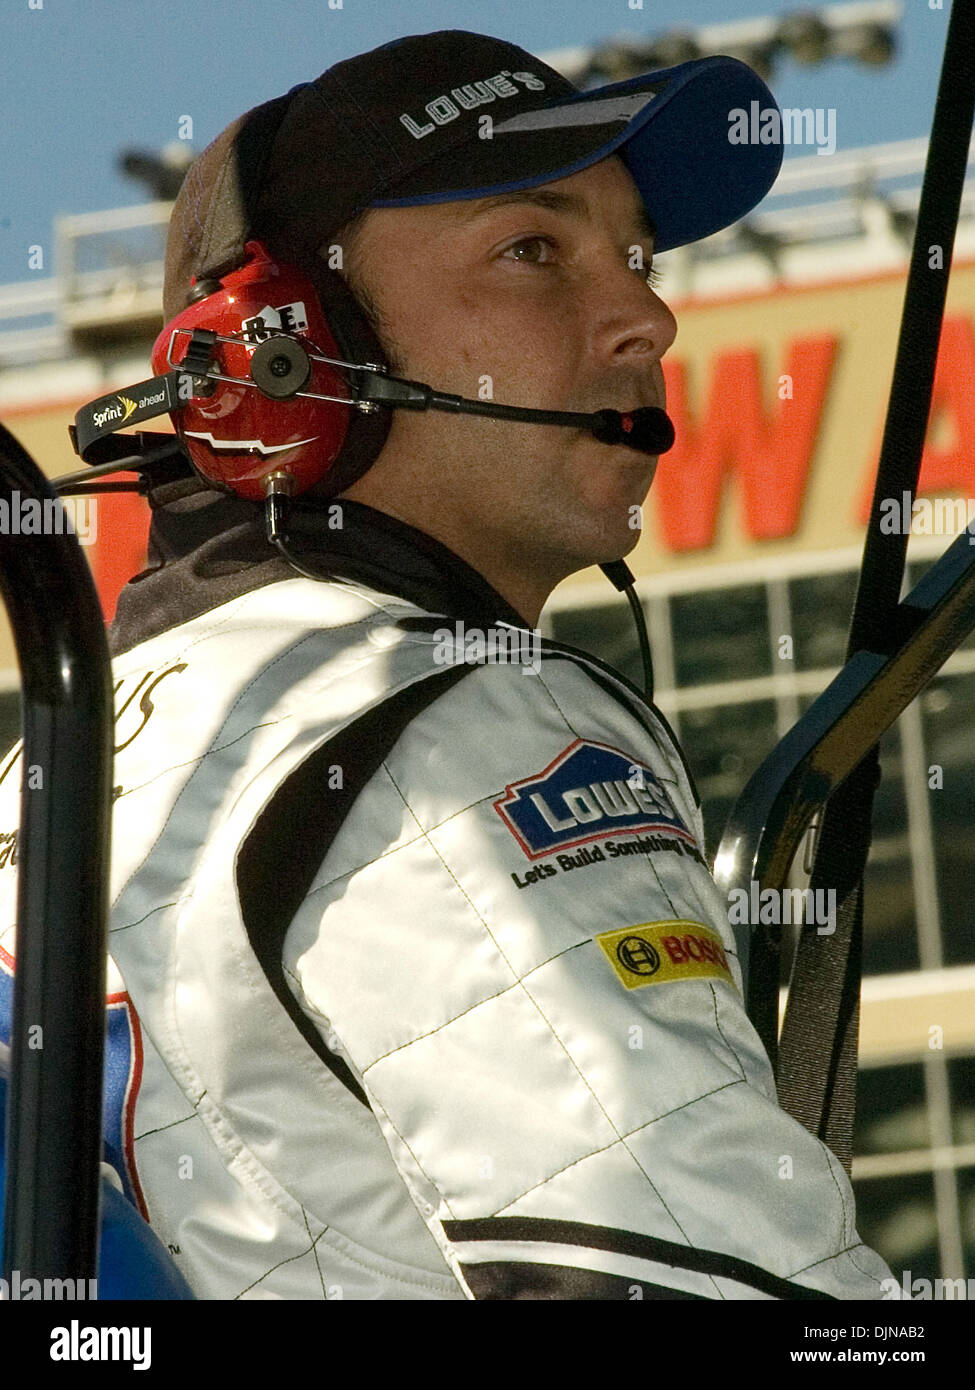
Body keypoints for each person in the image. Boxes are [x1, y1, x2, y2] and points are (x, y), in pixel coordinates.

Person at [2, 29, 899, 1300]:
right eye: (533, 250)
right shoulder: (456, 720)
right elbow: (716, 1286)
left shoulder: (46, 769)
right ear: (280, 350)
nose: (647, 315)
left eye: (637, 256)